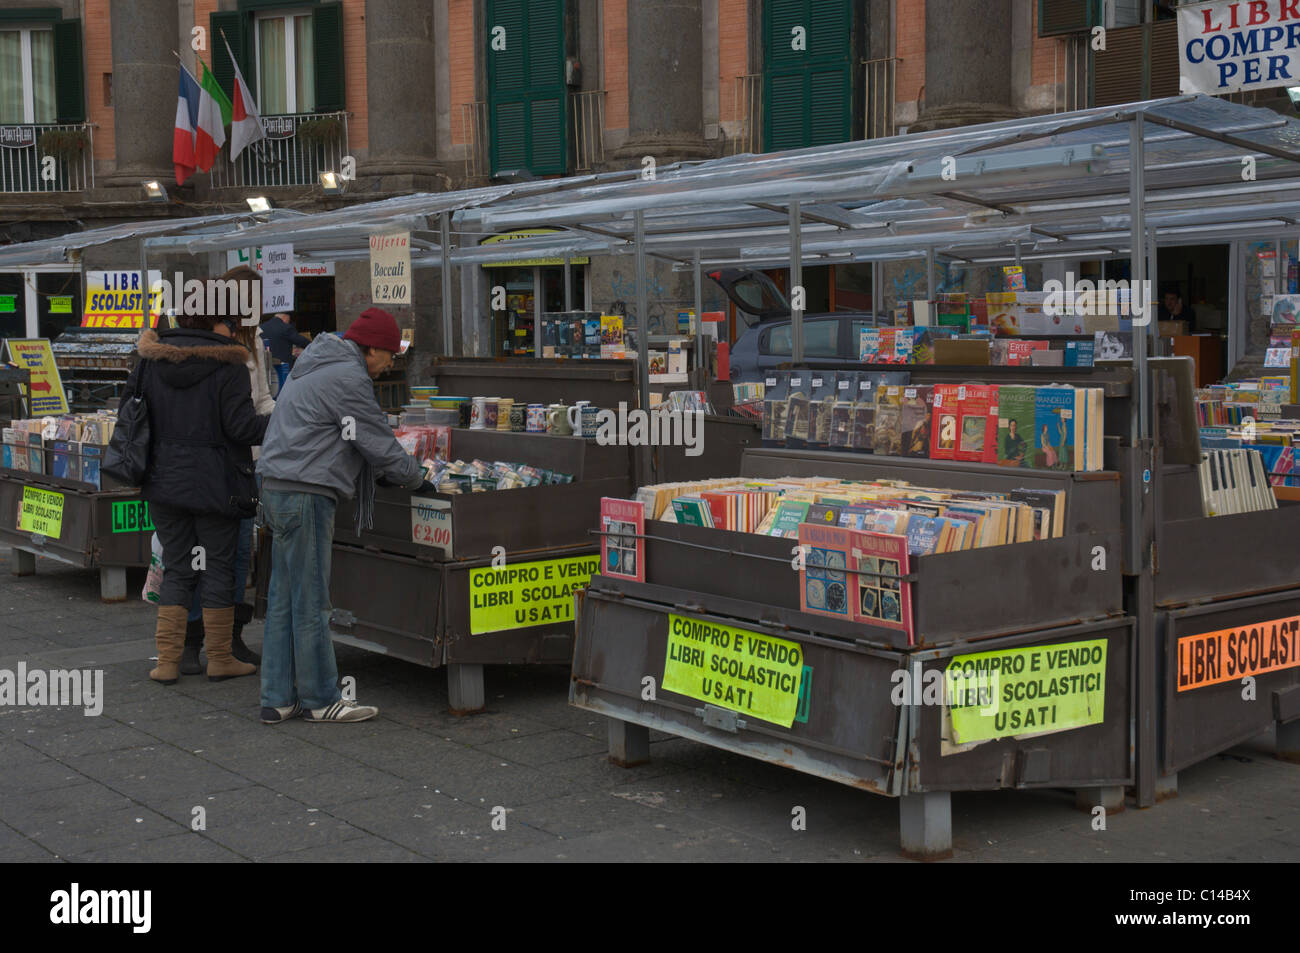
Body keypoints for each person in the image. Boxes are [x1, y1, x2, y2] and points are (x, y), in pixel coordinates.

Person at [256, 307, 426, 724]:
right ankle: (320, 699)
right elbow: (376, 440)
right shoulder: (348, 377)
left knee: (283, 598)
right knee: (312, 600)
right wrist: (416, 479)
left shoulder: (316, 364)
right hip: (306, 493)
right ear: (370, 348)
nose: (391, 364)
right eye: (389, 354)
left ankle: (277, 698)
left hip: (278, 487)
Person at [134, 301, 270, 684]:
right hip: (216, 484)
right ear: (215, 324)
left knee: (178, 565)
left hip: (163, 482)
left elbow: (134, 414)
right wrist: (280, 423)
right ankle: (221, 658)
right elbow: (241, 429)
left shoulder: (150, 361)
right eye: (229, 322)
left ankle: (168, 661)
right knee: (218, 567)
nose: (233, 329)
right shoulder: (229, 366)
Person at [181, 266, 276, 673]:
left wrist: (283, 418)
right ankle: (192, 640)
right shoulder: (207, 344)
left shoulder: (256, 341)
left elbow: (262, 399)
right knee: (197, 555)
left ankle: (230, 638)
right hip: (210, 463)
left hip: (245, 462)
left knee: (239, 554)